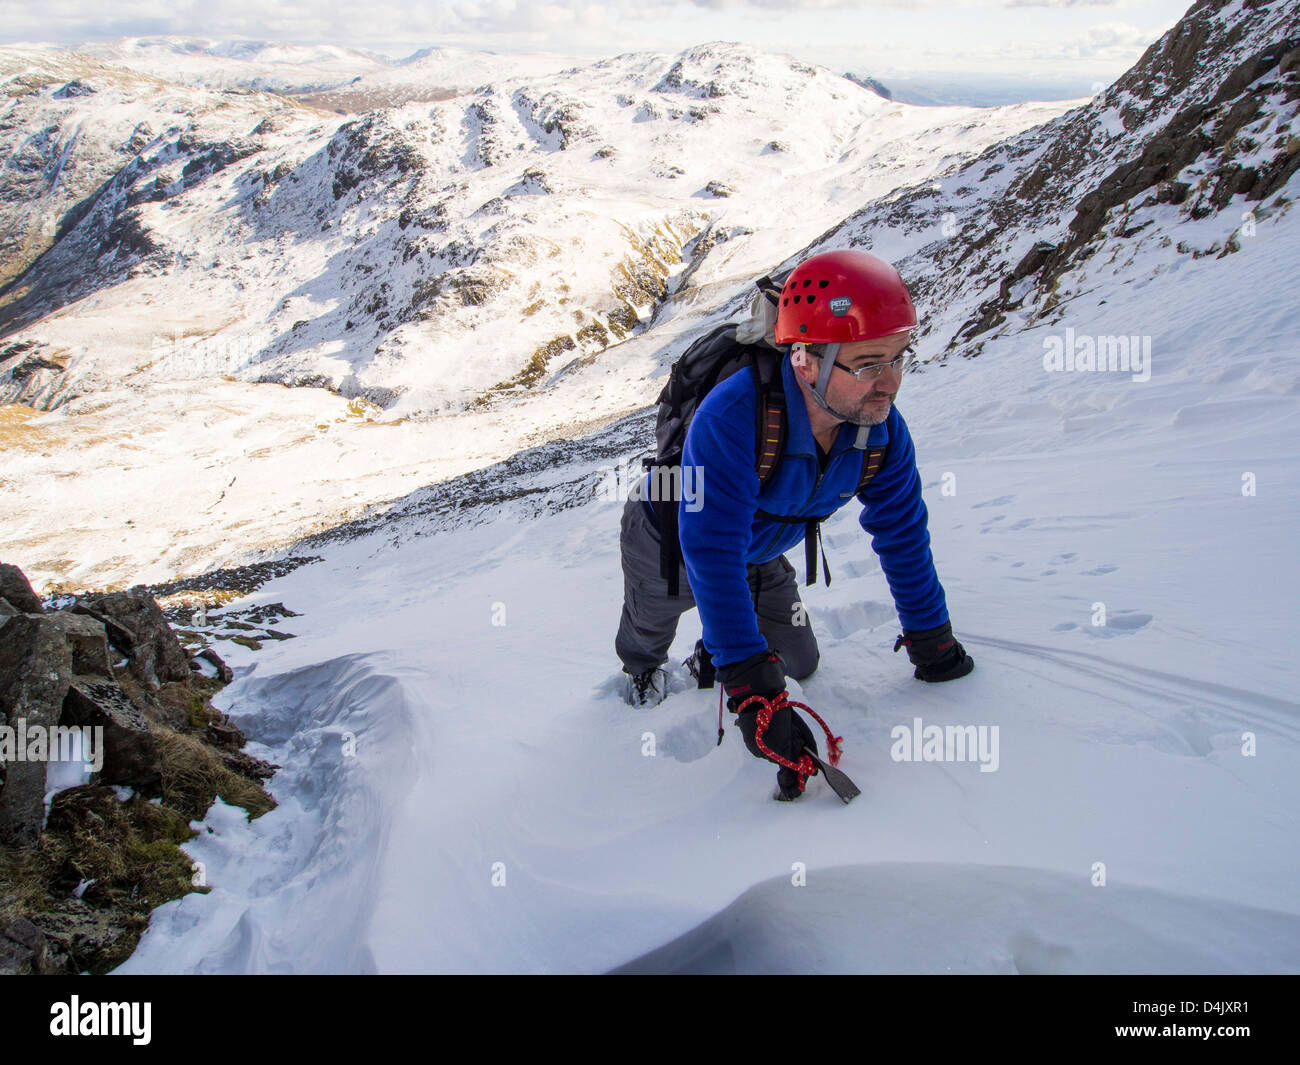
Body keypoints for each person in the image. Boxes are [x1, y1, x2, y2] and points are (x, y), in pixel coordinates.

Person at [614, 248, 973, 798]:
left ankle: (714, 643)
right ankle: (641, 671)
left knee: (798, 662)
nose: (891, 383)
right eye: (869, 364)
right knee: (649, 631)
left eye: (899, 358)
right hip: (667, 543)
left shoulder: (878, 431)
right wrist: (752, 690)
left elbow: (902, 532)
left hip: (754, 550)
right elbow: (710, 552)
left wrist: (931, 639)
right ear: (805, 360)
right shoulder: (734, 416)